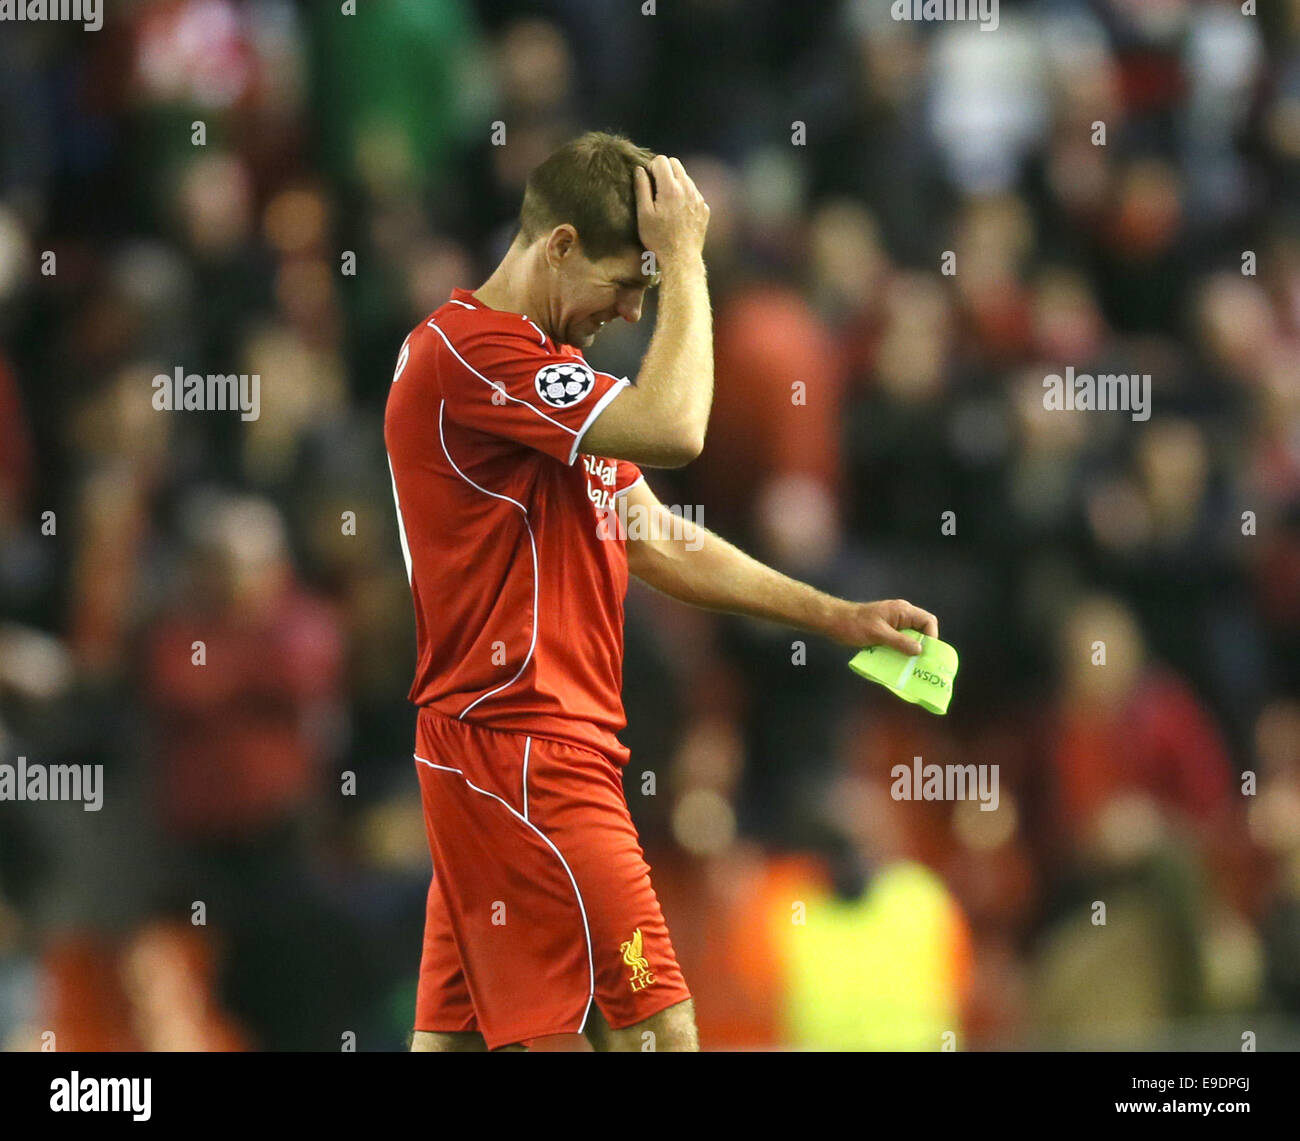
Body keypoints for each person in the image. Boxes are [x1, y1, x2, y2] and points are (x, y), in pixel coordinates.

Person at [383, 131, 939, 1052]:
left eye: (648, 288)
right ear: (559, 247)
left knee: (456, 1040)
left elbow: (656, 536)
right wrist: (685, 260)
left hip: (510, 748)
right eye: (625, 283)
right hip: (522, 744)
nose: (634, 312)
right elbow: (678, 427)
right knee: (659, 1032)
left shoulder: (536, 377)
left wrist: (837, 615)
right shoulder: (473, 355)